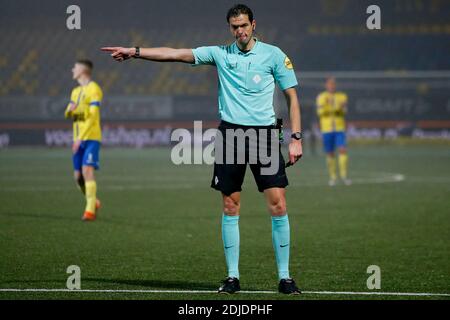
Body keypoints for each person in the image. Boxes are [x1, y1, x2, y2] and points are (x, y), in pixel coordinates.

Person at [101, 4, 303, 294]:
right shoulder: (220, 53)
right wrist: (135, 51)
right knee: (230, 205)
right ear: (230, 28)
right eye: (235, 27)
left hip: (265, 137)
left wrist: (295, 137)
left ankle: (285, 277)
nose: (240, 31)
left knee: (278, 204)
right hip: (231, 135)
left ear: (254, 24)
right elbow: (176, 54)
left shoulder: (274, 54)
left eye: (244, 25)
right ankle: (232, 276)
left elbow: (292, 98)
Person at [64, 59, 103, 221]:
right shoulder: (75, 91)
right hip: (77, 138)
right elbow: (68, 114)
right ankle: (94, 201)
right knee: (78, 177)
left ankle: (89, 211)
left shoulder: (94, 89)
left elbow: (93, 116)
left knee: (87, 171)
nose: (72, 69)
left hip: (91, 137)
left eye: (75, 66)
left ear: (83, 70)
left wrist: (81, 138)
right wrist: (69, 110)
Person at [316, 77, 351, 186]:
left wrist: (331, 107)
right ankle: (333, 177)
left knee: (342, 150)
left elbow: (344, 111)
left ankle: (344, 176)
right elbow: (320, 112)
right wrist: (334, 108)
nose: (331, 86)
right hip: (326, 129)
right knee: (330, 153)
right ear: (326, 86)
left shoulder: (342, 96)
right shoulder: (321, 97)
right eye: (329, 84)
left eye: (333, 84)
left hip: (339, 128)